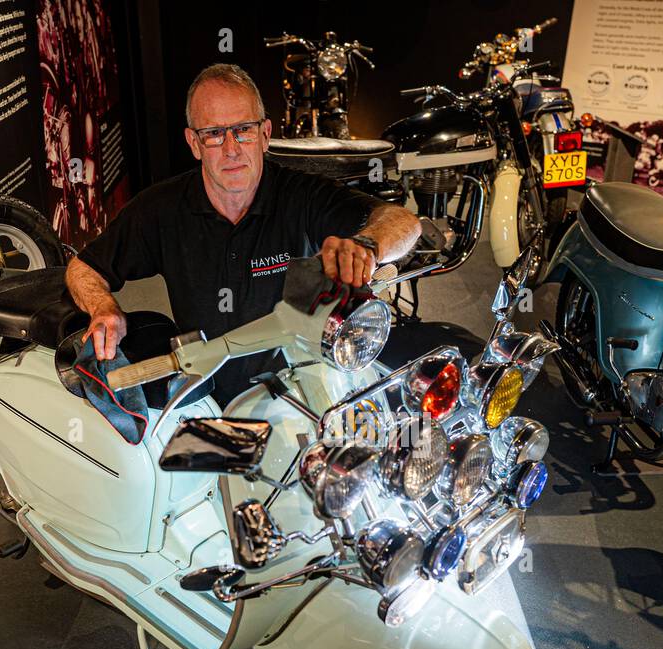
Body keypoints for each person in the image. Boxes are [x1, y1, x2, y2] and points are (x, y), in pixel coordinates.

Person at [65, 63, 420, 402]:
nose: (232, 149)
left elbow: (404, 222)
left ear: (265, 134)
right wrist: (103, 308)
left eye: (243, 130)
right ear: (193, 143)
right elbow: (83, 268)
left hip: (299, 391)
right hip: (205, 396)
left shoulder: (302, 195)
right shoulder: (160, 209)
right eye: (214, 134)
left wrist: (368, 246)